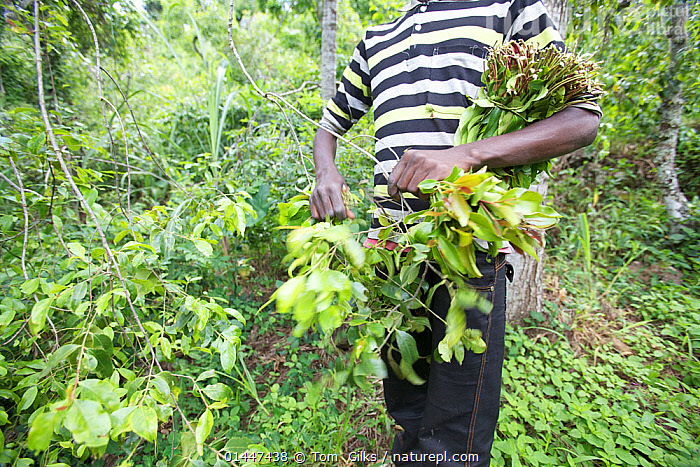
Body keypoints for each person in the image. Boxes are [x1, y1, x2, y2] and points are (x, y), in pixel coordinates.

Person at [310, 0, 601, 465]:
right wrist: (326, 172)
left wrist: (465, 155)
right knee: (404, 410)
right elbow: (328, 127)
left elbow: (581, 119)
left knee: (454, 430)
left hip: (468, 249)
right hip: (391, 254)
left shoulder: (512, 10)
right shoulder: (376, 38)